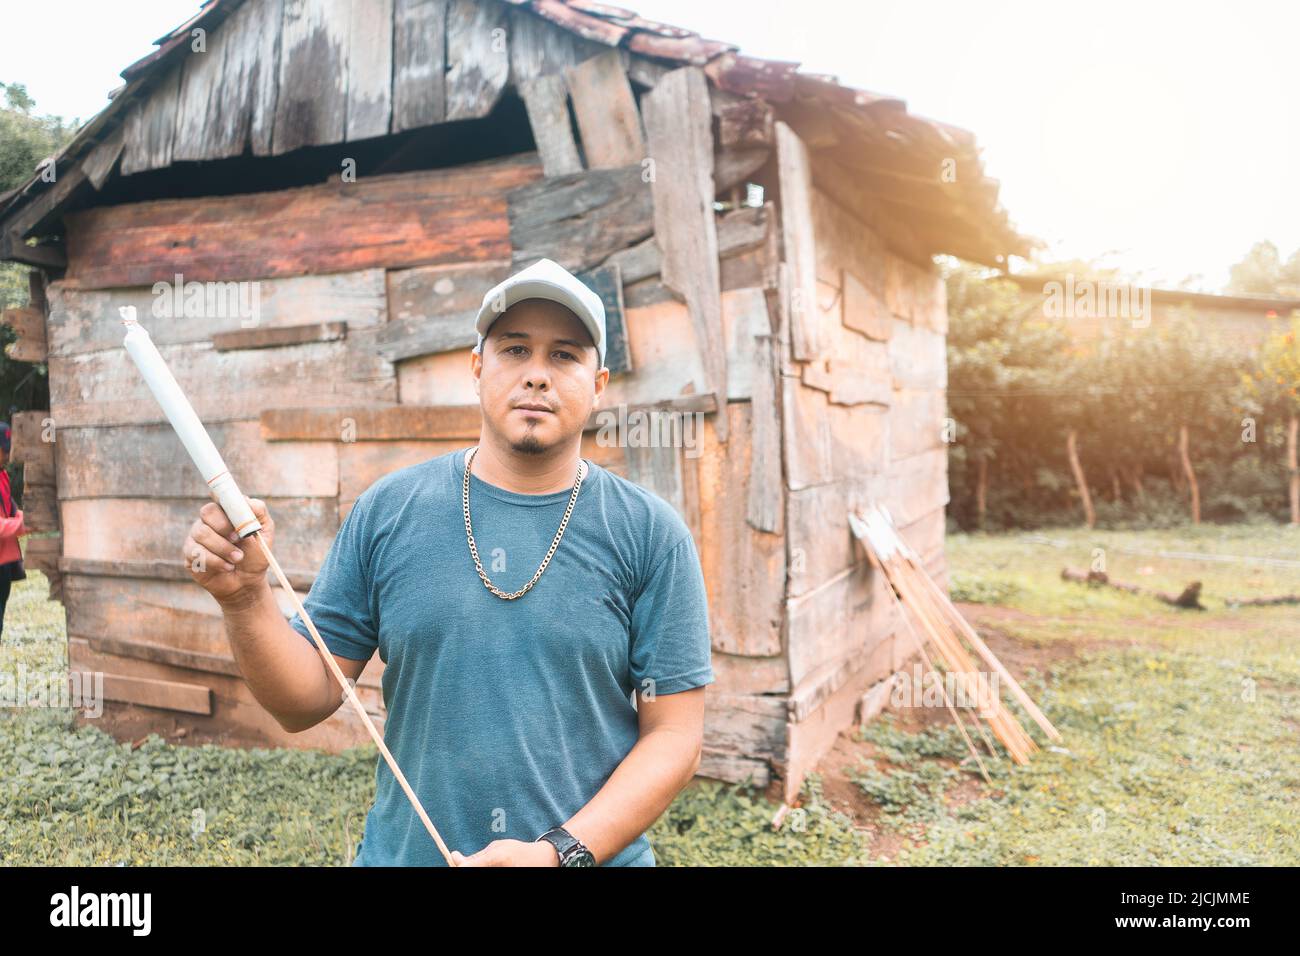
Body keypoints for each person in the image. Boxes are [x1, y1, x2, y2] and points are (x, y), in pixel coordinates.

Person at [183, 258, 715, 866]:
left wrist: (559, 854)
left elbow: (675, 735)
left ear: (598, 385)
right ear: (477, 368)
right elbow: (304, 702)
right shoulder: (390, 510)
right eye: (515, 349)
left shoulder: (650, 534)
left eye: (564, 356)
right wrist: (244, 599)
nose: (537, 376)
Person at [0, 421, 29, 642]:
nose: (9, 455)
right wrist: (24, 523)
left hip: (4, 564)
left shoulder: (3, 476)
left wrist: (23, 519)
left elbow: (11, 509)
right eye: (5, 449)